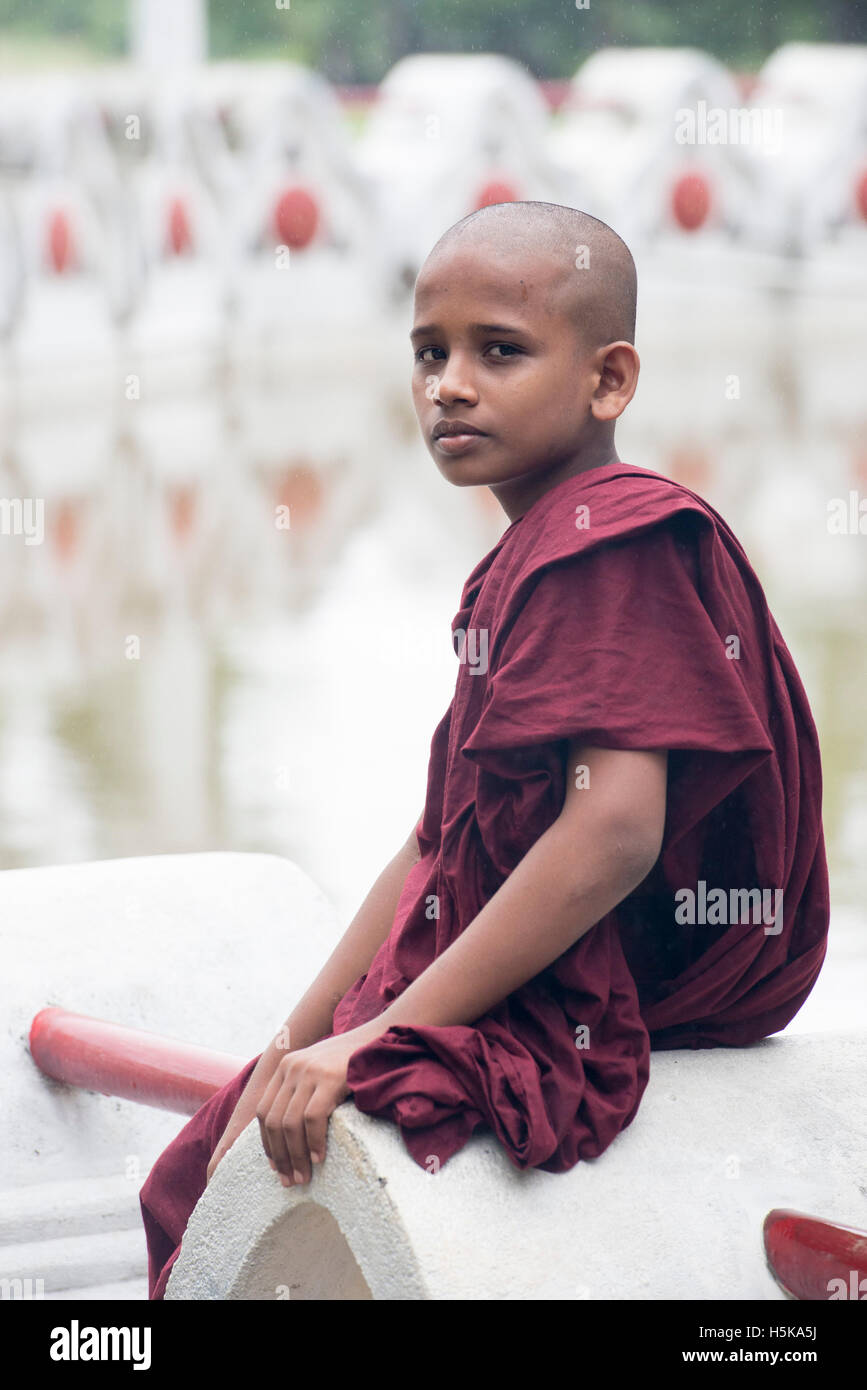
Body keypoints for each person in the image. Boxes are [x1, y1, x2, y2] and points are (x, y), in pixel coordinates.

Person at [140, 201, 830, 1299]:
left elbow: (611, 835)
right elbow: (440, 839)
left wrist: (377, 1042)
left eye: (499, 351)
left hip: (657, 976)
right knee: (218, 1142)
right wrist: (296, 1035)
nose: (449, 384)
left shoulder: (613, 543)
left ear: (608, 382)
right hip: (558, 956)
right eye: (430, 352)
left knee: (381, 1087)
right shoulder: (536, 550)